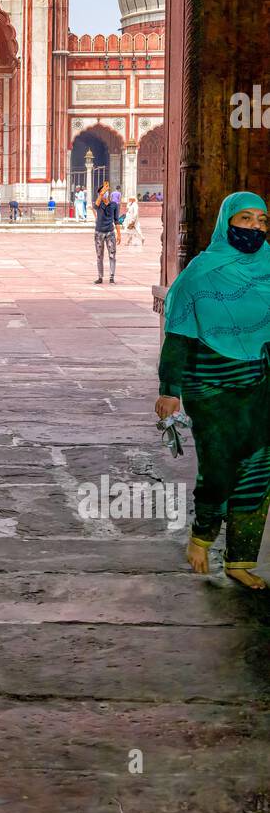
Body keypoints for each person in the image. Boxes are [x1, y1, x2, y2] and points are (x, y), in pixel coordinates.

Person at [156, 192, 270, 591]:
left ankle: (239, 559)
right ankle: (202, 538)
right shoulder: (200, 275)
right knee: (219, 469)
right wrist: (169, 390)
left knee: (258, 471)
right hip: (211, 386)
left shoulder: (268, 267)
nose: (254, 228)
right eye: (245, 219)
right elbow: (178, 337)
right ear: (227, 223)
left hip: (259, 384)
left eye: (261, 221)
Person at [93, 182, 120, 283]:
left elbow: (116, 220)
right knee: (99, 255)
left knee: (112, 255)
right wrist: (101, 194)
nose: (105, 193)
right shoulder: (99, 204)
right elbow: (95, 206)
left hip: (110, 232)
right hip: (99, 232)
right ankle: (100, 277)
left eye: (106, 191)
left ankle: (112, 277)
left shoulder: (114, 205)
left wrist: (119, 234)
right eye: (102, 192)